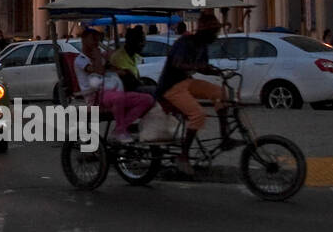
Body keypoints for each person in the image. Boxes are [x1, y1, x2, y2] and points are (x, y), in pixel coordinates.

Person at [156, 11, 230, 177]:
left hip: (186, 82)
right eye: (213, 33)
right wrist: (198, 67)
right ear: (204, 32)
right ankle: (183, 155)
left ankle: (224, 135)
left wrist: (215, 71)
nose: (215, 37)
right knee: (198, 114)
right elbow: (178, 63)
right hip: (170, 86)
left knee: (219, 92)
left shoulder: (202, 46)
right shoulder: (185, 42)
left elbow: (202, 65)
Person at [73, 27, 152, 142]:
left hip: (111, 91)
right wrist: (98, 56)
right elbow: (98, 71)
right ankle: (120, 131)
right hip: (95, 97)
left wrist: (121, 70)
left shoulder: (100, 57)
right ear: (84, 40)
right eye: (93, 39)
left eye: (98, 40)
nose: (96, 42)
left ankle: (121, 128)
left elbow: (110, 69)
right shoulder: (80, 60)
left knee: (147, 99)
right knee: (118, 98)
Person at [108, 27, 147, 92]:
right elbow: (129, 80)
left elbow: (136, 78)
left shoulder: (135, 56)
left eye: (144, 41)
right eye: (141, 41)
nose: (144, 44)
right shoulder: (118, 57)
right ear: (132, 42)